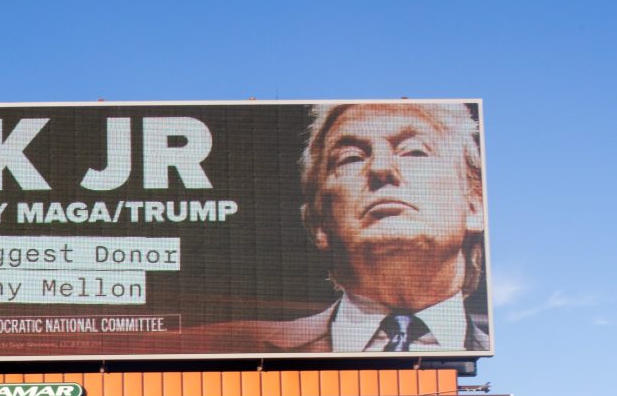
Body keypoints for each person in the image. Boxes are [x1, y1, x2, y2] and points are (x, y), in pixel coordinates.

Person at [197, 101, 490, 354]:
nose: (381, 169)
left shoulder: (515, 360)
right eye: (351, 158)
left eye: (414, 151)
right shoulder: (210, 345)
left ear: (474, 205)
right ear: (318, 224)